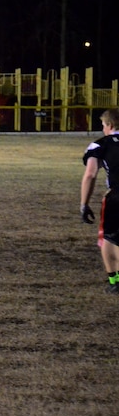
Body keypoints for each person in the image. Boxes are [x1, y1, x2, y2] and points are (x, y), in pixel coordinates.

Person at [80, 108, 119, 295]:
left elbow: (90, 174)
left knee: (110, 239)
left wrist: (84, 204)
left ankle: (115, 281)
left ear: (109, 125)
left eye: (103, 125)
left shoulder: (100, 145)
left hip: (116, 197)